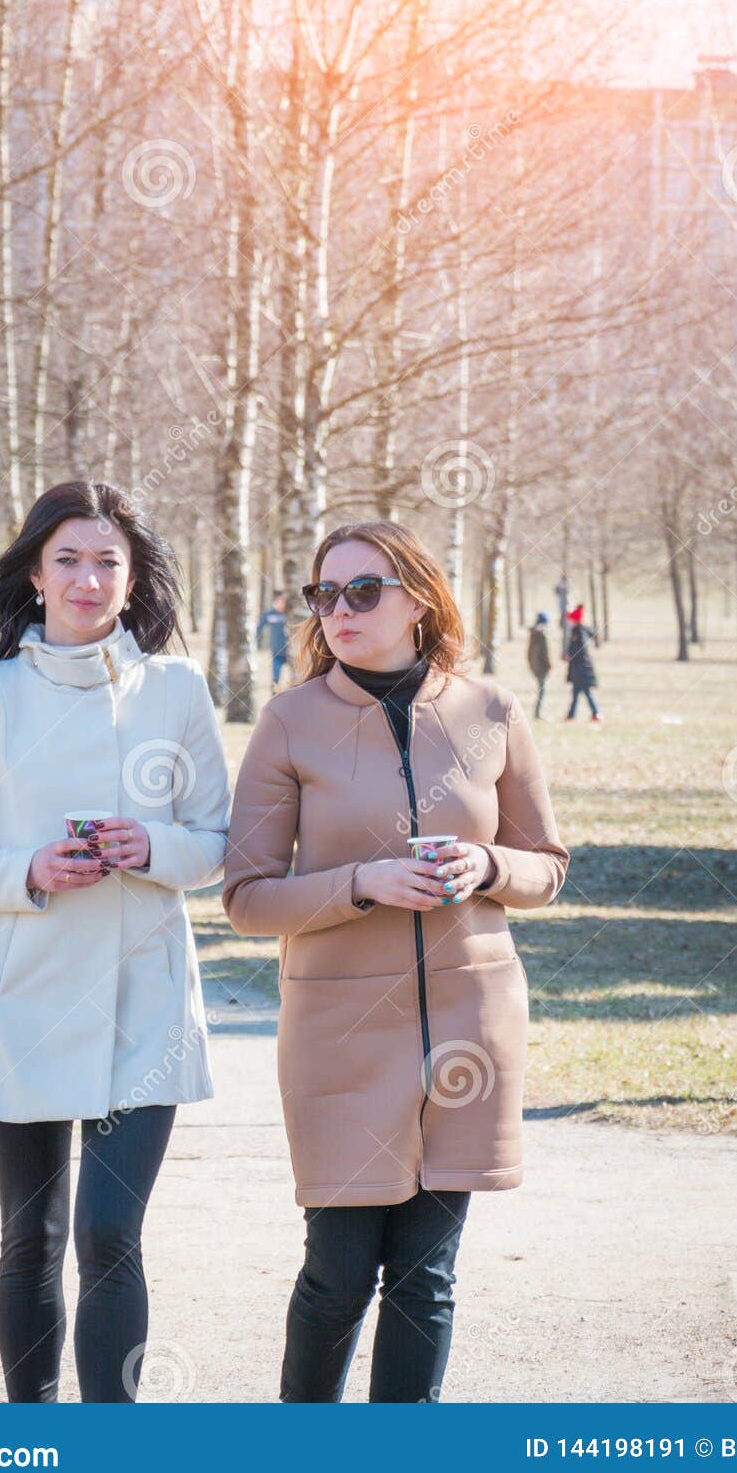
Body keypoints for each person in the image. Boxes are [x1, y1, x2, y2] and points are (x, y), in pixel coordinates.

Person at [223, 521, 569, 1402]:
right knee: (336, 1277)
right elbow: (248, 898)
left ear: (418, 598)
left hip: (468, 1031)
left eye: (363, 591)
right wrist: (362, 882)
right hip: (338, 1036)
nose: (340, 610)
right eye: (323, 595)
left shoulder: (490, 709)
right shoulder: (290, 719)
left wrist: (487, 865)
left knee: (425, 1281)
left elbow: (547, 869)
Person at [0, 478, 231, 1402]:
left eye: (107, 562)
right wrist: (28, 871)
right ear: (37, 574)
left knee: (109, 1235)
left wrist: (153, 846)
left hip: (146, 1003)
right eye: (68, 560)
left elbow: (215, 844)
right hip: (26, 999)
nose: (88, 579)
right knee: (32, 1239)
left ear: (132, 582)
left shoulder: (177, 688)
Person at [562, 603, 602, 722]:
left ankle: (595, 713)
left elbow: (578, 650)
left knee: (585, 692)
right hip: (578, 669)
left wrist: (569, 655)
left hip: (581, 669)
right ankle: (571, 715)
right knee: (576, 694)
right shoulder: (580, 630)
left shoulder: (577, 632)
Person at [256, 589, 289, 692]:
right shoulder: (269, 614)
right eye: (279, 601)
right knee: (276, 670)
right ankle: (274, 690)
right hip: (276, 648)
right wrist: (258, 640)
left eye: (283, 601)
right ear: (275, 601)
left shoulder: (288, 614)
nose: (282, 603)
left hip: (290, 649)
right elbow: (259, 627)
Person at [527, 609, 551, 719]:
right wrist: (548, 666)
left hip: (535, 667)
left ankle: (538, 713)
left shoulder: (533, 634)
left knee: (541, 690)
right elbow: (545, 653)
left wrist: (532, 666)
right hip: (542, 668)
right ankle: (538, 714)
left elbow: (529, 653)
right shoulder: (542, 635)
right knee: (542, 691)